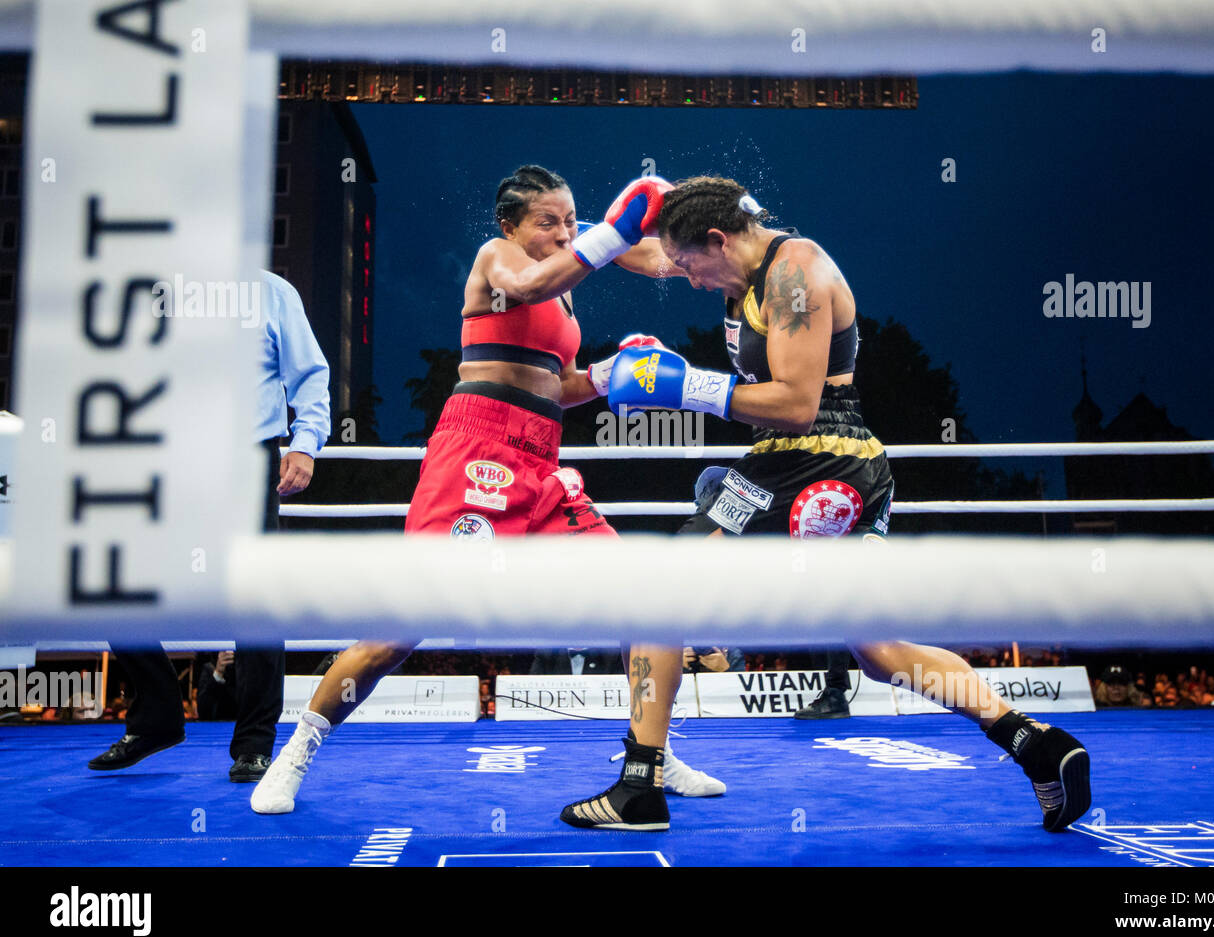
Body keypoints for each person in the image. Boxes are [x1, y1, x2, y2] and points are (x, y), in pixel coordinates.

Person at [561, 176, 1091, 833]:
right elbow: (649, 255)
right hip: (838, 470)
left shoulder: (795, 274)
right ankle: (1037, 744)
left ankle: (640, 786)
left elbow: (795, 403)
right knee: (878, 649)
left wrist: (683, 385)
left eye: (694, 265)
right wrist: (569, 235)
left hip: (810, 458)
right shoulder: (738, 265)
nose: (689, 282)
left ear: (719, 240)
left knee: (655, 594)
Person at [251, 165, 721, 813]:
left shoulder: (568, 283)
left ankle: (653, 760)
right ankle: (297, 750)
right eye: (547, 221)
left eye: (570, 219)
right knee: (402, 627)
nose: (563, 232)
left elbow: (562, 381)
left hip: (543, 457)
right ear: (510, 225)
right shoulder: (499, 259)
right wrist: (610, 235)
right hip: (476, 451)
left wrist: (616, 372)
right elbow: (529, 286)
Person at [88, 270, 329, 782]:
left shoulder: (271, 292)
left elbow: (309, 373)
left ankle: (254, 745)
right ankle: (156, 716)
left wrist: (306, 439)